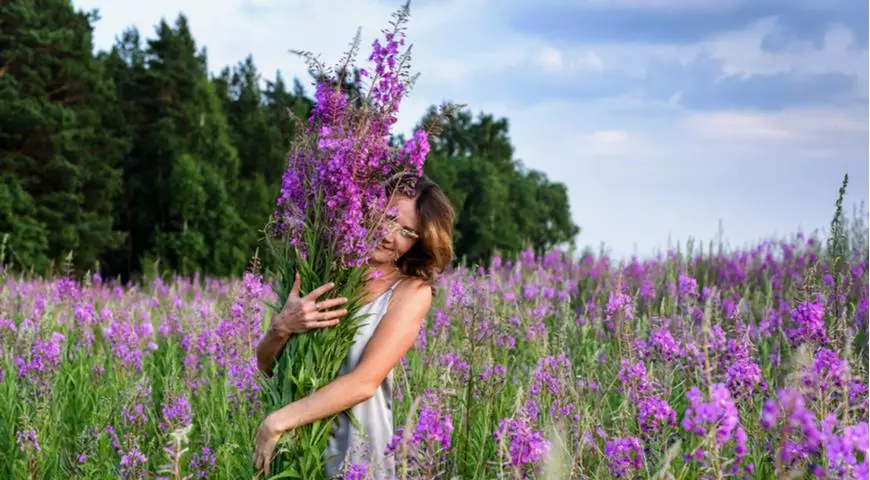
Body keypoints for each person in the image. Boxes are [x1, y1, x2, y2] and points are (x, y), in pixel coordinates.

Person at [252, 174, 454, 478]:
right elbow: (267, 366)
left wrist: (276, 422)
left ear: (418, 243)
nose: (389, 235)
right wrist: (282, 327)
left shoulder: (410, 292)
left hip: (358, 457)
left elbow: (364, 382)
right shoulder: (320, 271)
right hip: (295, 456)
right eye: (387, 218)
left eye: (407, 232)